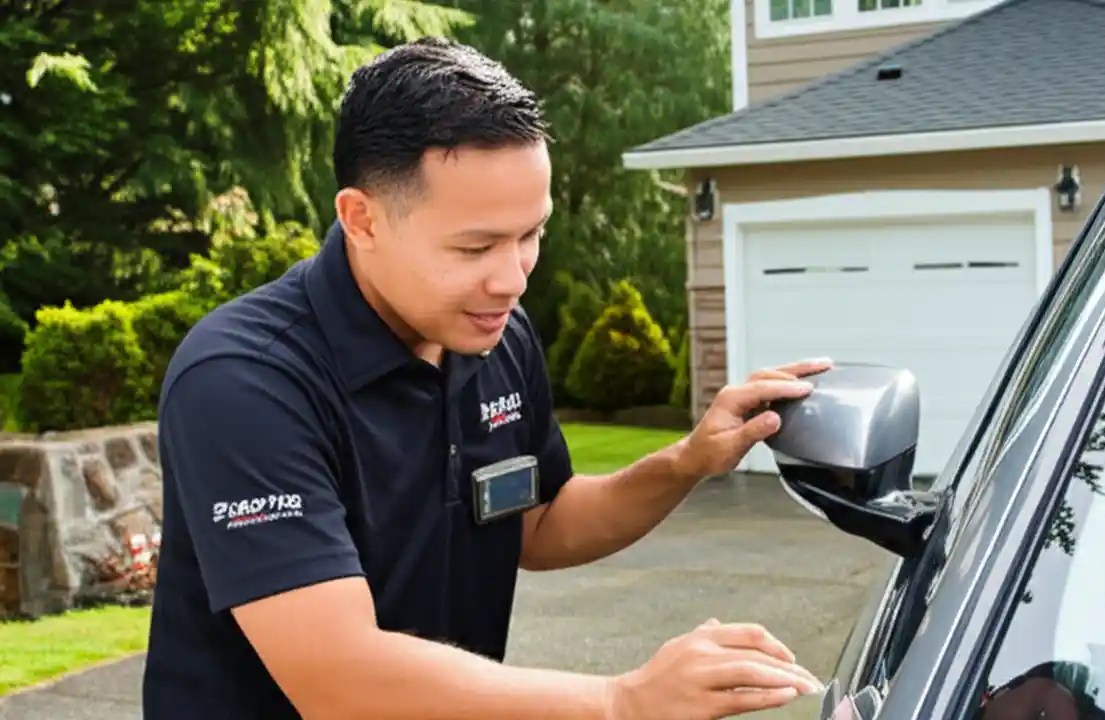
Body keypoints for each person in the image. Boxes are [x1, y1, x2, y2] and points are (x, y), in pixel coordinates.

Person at [141, 36, 832, 720]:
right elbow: (338, 679)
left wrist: (686, 462)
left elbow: (540, 522)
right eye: (476, 246)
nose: (512, 278)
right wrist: (621, 703)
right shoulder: (244, 381)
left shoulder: (494, 335)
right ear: (362, 219)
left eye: (532, 234)